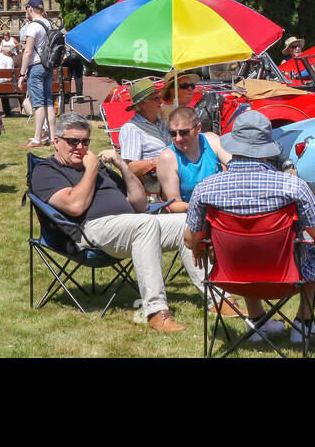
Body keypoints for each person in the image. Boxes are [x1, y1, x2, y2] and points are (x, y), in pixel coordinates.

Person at [183, 111, 315, 345]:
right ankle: (303, 322)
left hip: (229, 276)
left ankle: (258, 321)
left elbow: (191, 240)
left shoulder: (205, 189)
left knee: (246, 247)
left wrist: (201, 246)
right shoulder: (292, 186)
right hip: (287, 277)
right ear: (266, 147)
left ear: (234, 145)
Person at [32, 113, 208, 333]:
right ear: (56, 142)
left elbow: (140, 204)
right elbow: (75, 205)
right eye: (73, 141)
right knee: (146, 224)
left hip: (130, 225)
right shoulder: (46, 171)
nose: (80, 147)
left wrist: (121, 165)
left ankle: (217, 298)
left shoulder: (101, 170)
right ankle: (156, 311)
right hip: (91, 231)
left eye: (85, 142)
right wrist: (92, 169)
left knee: (185, 221)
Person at [155, 106, 231, 211]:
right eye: (173, 133)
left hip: (223, 207)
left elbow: (237, 167)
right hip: (192, 215)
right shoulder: (168, 158)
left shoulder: (212, 141)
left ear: (198, 128)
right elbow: (174, 204)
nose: (178, 138)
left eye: (184, 132)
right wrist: (204, 206)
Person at [18, 0, 57, 148]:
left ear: (30, 9)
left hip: (36, 66)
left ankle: (37, 138)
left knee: (38, 103)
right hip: (48, 66)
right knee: (48, 102)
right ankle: (52, 137)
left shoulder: (33, 26)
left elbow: (28, 52)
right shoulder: (48, 23)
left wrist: (22, 74)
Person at [119, 78, 172, 177]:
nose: (161, 101)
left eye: (160, 97)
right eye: (156, 99)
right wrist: (154, 162)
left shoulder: (163, 123)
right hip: (154, 184)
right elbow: (128, 168)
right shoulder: (132, 128)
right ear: (143, 104)